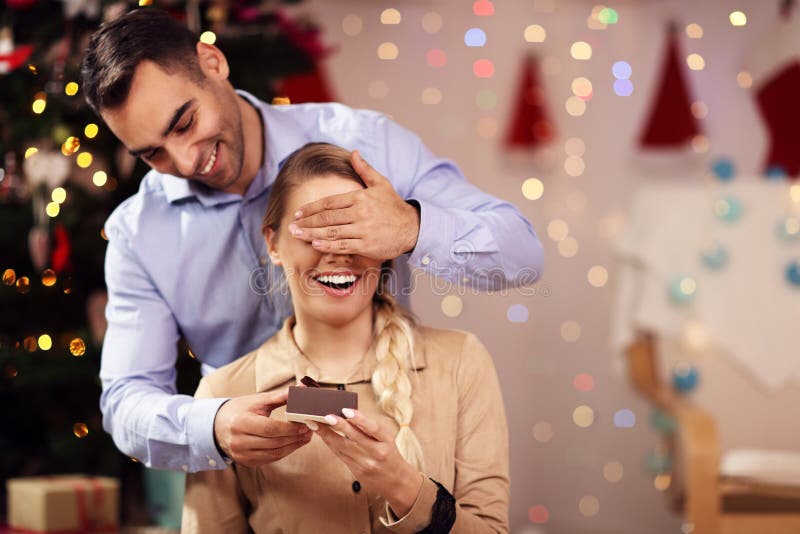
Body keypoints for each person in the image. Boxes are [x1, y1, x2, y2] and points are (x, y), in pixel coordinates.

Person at [79, 7, 543, 473]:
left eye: (184, 124)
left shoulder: (366, 143)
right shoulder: (138, 234)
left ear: (212, 62)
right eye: (152, 153)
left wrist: (410, 228)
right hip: (257, 481)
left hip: (398, 448)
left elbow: (521, 253)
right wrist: (212, 426)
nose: (184, 160)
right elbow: (125, 402)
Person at [181, 143, 509, 533]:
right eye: (315, 232)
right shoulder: (222, 396)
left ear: (386, 244)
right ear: (272, 244)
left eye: (355, 232)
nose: (337, 253)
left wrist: (401, 484)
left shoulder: (461, 363)